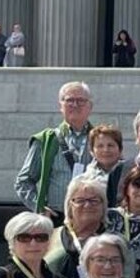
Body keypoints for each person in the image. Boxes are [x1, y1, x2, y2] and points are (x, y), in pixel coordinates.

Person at [14, 81, 96, 217]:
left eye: (81, 101)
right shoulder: (46, 139)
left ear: (90, 106)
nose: (75, 105)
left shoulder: (101, 139)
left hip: (92, 217)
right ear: (61, 106)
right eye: (70, 100)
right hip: (56, 216)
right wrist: (39, 207)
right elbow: (24, 181)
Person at [45, 176, 112, 278]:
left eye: (94, 201)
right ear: (69, 206)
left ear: (103, 206)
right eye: (80, 200)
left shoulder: (115, 242)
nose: (87, 205)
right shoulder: (49, 236)